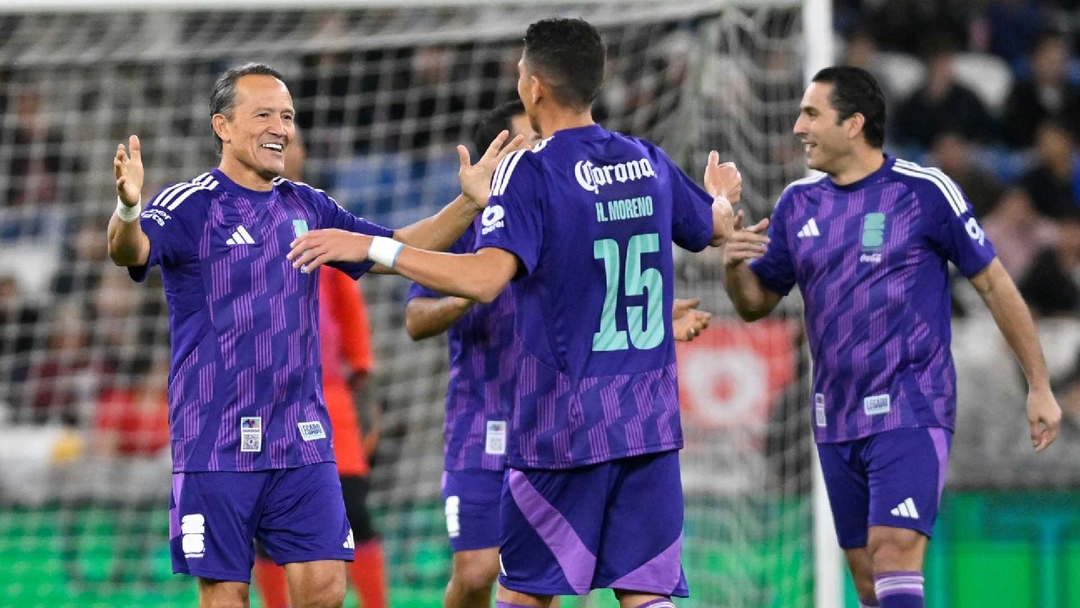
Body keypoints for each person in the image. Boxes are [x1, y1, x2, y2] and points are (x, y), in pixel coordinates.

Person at [288, 18, 760, 608]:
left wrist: (375, 247)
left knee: (526, 594)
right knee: (646, 595)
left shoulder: (530, 170)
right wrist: (722, 201)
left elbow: (486, 280)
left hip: (565, 428)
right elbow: (717, 227)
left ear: (534, 87)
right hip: (647, 424)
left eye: (519, 73)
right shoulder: (648, 160)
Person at [107, 62, 522, 608]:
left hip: (301, 437)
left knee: (326, 589)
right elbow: (128, 250)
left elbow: (402, 245)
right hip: (216, 438)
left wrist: (469, 201)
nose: (280, 126)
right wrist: (128, 206)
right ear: (223, 126)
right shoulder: (191, 204)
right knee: (226, 593)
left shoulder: (307, 203)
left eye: (287, 116)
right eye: (263, 115)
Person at [721, 65, 1062, 608]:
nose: (797, 127)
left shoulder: (923, 192)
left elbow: (995, 285)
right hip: (836, 416)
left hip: (911, 404)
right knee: (867, 581)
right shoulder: (796, 205)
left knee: (893, 549)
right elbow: (756, 305)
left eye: (811, 113)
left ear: (853, 123)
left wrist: (1038, 383)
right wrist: (732, 263)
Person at [405, 100, 712, 608]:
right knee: (479, 571)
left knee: (552, 580)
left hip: (555, 421)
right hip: (484, 426)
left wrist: (655, 320)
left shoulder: (564, 209)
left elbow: (606, 296)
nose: (541, 149)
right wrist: (473, 287)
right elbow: (416, 320)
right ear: (496, 154)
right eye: (528, 141)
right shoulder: (459, 228)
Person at [253, 131, 387, 608]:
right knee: (267, 522)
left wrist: (364, 381)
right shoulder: (235, 219)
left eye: (295, 140)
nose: (288, 148)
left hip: (327, 393)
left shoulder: (318, 218)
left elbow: (347, 310)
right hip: (262, 400)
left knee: (353, 510)